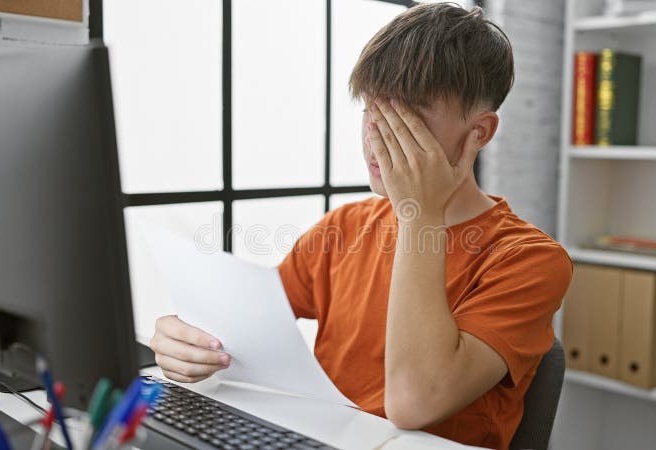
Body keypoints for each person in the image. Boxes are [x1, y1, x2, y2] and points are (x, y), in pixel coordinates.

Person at [149, 3, 572, 448]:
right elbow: (241, 329)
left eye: (407, 116)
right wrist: (183, 341)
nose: (375, 133)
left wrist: (419, 214)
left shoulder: (531, 261)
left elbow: (413, 404)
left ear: (479, 133)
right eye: (371, 108)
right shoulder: (345, 227)